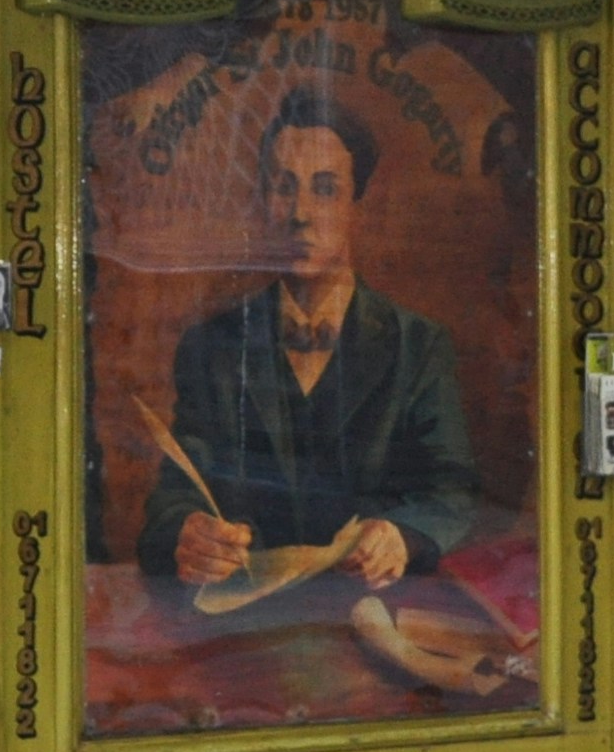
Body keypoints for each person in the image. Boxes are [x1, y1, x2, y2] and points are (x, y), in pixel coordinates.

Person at [142, 92, 476, 598]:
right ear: (263, 203)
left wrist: (402, 537)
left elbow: (452, 493)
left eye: (324, 189)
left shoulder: (419, 344)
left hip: (373, 610)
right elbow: (177, 490)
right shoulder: (211, 345)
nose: (300, 213)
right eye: (283, 188)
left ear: (356, 207)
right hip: (240, 622)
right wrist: (187, 531)